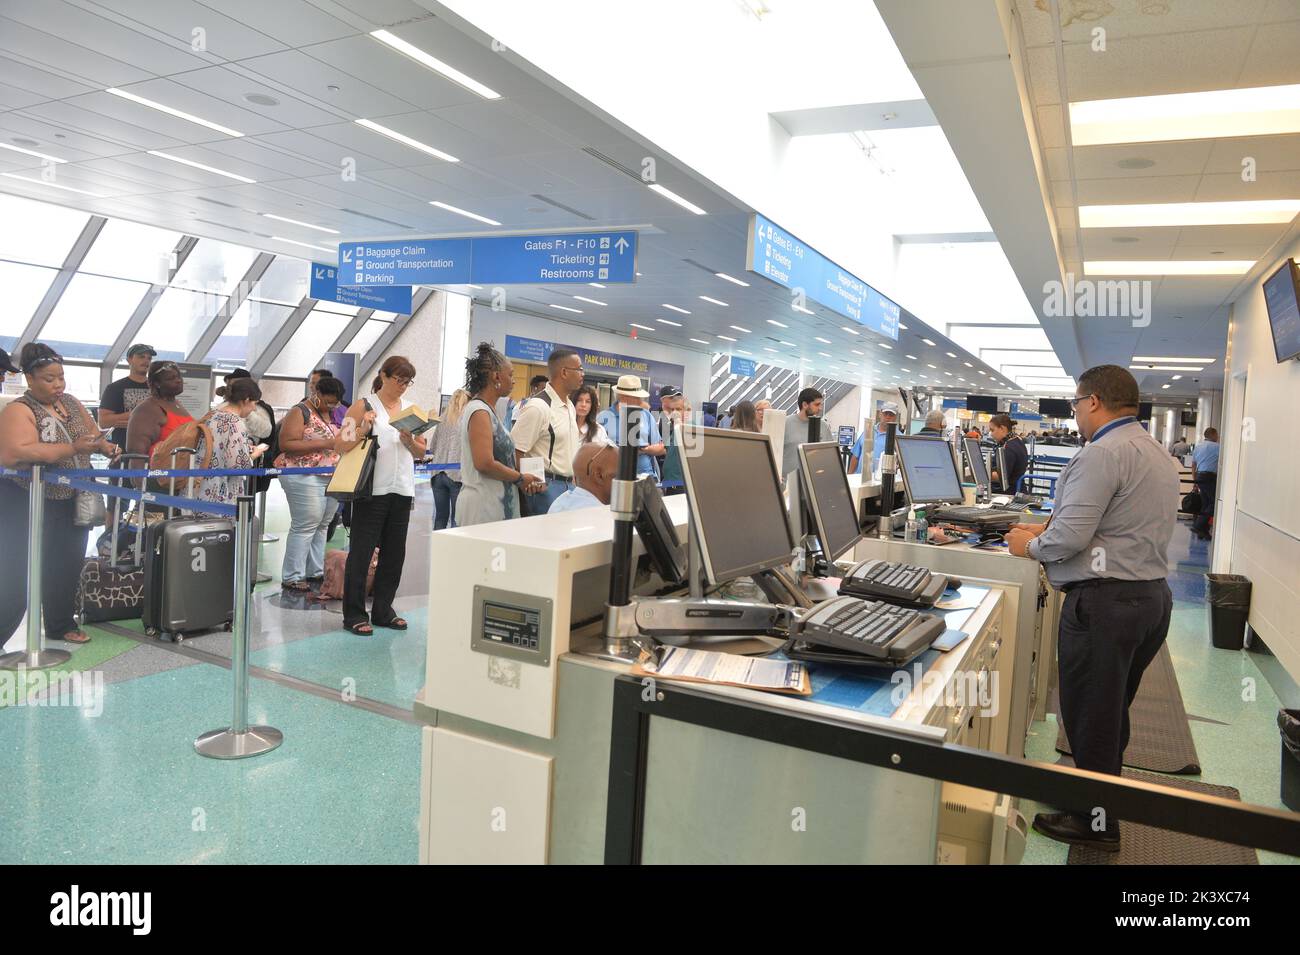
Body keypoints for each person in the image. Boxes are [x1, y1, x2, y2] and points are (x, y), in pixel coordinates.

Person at [1005, 365, 1178, 852]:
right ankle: (1097, 797)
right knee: (1110, 710)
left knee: (1090, 714)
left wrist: (1030, 548)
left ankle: (1097, 825)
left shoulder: (1101, 454)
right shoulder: (1153, 451)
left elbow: (1073, 538)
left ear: (1095, 401)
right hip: (1149, 601)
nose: (1076, 414)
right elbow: (1116, 526)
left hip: (1106, 604)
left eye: (1076, 405)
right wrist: (1048, 532)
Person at [0, 344, 120, 646]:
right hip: (25, 498)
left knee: (66, 563)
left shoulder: (71, 402)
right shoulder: (19, 409)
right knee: (17, 570)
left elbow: (90, 434)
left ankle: (60, 623)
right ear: (30, 379)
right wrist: (73, 449)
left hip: (72, 497)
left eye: (61, 378)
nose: (58, 385)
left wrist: (104, 447)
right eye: (49, 379)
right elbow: (15, 454)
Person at [337, 355, 426, 636]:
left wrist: (410, 441)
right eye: (399, 379)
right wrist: (364, 427)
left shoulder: (412, 410)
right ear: (384, 376)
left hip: (401, 489)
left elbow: (422, 452)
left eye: (407, 381)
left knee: (394, 554)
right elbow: (341, 444)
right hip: (371, 491)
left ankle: (384, 609)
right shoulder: (363, 406)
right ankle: (353, 613)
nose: (403, 386)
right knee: (361, 553)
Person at [456, 343, 545, 528]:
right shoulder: (479, 411)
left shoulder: (490, 410)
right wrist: (520, 478)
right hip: (483, 508)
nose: (513, 381)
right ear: (496, 376)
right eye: (510, 374)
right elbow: (484, 463)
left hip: (496, 506)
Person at [275, 375, 343, 590]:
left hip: (328, 476)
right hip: (302, 475)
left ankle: (315, 571)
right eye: (329, 401)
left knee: (322, 525)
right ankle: (293, 576)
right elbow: (286, 443)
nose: (332, 405)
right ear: (317, 394)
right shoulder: (299, 411)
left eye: (336, 402)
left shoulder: (329, 414)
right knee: (305, 524)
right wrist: (327, 442)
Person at [511, 348, 583, 514]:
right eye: (579, 369)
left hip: (569, 486)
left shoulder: (569, 406)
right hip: (546, 488)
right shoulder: (538, 407)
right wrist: (525, 481)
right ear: (564, 372)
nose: (582, 374)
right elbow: (514, 450)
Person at [219, 368, 277, 495]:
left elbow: (266, 431)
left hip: (217, 478)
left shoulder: (218, 413)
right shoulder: (234, 421)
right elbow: (237, 464)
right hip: (228, 480)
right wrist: (254, 454)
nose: (254, 407)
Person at [125, 360, 193, 466]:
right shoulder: (148, 409)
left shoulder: (176, 404)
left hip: (182, 476)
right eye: (171, 378)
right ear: (157, 383)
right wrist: (142, 482)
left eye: (179, 376)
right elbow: (136, 456)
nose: (178, 380)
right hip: (158, 477)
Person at [596, 375, 665, 478]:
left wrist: (642, 449)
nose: (640, 401)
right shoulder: (603, 417)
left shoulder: (646, 416)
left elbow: (661, 448)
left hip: (644, 477)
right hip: (613, 477)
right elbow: (595, 450)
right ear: (623, 397)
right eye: (636, 397)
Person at [98, 343, 154, 449]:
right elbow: (103, 421)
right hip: (122, 452)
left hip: (151, 452)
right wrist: (136, 414)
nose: (146, 361)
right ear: (129, 359)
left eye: (149, 358)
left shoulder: (157, 389)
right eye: (141, 357)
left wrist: (125, 420)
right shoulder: (114, 388)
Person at [427, 389, 468, 530]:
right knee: (457, 520)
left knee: (440, 518)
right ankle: (453, 551)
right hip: (457, 475)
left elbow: (432, 447)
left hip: (437, 474)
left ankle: (438, 550)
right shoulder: (466, 419)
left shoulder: (442, 419)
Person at [549, 443, 618, 513]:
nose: (626, 481)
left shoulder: (559, 504)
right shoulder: (598, 515)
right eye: (620, 475)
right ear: (599, 476)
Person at [782, 388, 824, 479]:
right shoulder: (784, 424)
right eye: (817, 405)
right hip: (787, 485)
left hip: (813, 482)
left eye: (821, 404)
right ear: (805, 405)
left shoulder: (823, 426)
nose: (820, 408)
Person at [847, 400, 897, 476]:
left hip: (880, 482)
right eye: (885, 414)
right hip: (859, 478)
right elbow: (855, 456)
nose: (887, 417)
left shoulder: (898, 437)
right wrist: (849, 477)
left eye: (891, 415)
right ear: (880, 414)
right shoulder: (868, 430)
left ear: (895, 417)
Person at [656, 385, 687, 493]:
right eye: (671, 397)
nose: (675, 400)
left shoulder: (679, 421)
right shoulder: (659, 418)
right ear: (663, 400)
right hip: (661, 466)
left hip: (676, 474)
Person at [988, 413, 1028, 494]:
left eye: (992, 430)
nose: (991, 434)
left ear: (1002, 428)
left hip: (1009, 494)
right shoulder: (1017, 441)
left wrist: (979, 473)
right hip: (1018, 490)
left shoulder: (1008, 447)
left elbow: (1001, 476)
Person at [1190, 426, 1219, 541]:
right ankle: (1198, 525)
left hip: (1200, 476)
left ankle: (1204, 532)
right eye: (1217, 435)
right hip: (1210, 477)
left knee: (1205, 503)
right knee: (1212, 503)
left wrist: (1195, 481)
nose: (1218, 437)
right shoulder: (1218, 447)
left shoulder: (1198, 447)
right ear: (1212, 435)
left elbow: (1193, 465)